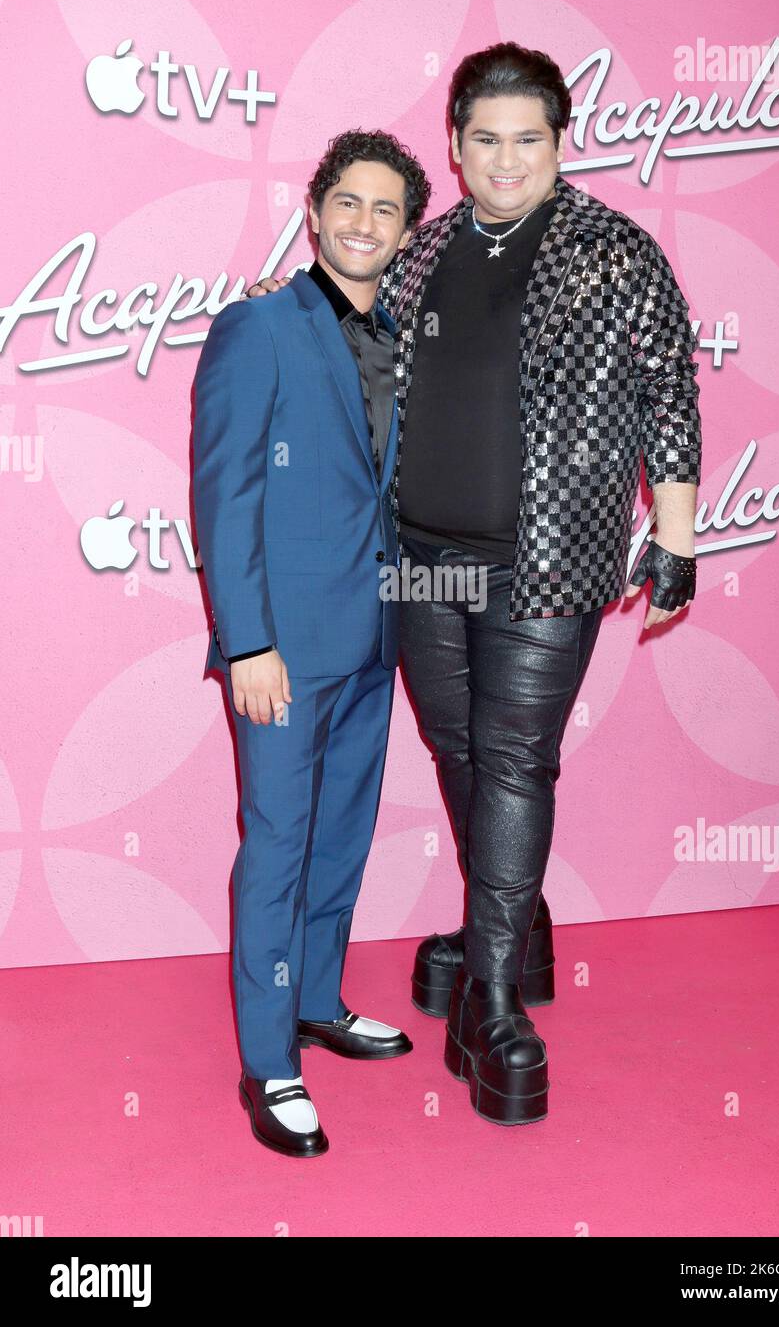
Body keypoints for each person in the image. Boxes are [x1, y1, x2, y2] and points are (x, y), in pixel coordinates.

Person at [249, 42, 702, 1126]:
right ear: (454, 148)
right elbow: (344, 319)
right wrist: (285, 302)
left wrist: (675, 541)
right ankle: (513, 924)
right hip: (414, 556)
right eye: (484, 139)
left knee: (512, 758)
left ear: (558, 144)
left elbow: (669, 394)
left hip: (545, 562)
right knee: (459, 750)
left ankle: (492, 1001)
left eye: (526, 140)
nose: (504, 159)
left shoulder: (614, 253)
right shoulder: (421, 252)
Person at [193, 129, 431, 1156]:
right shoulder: (258, 327)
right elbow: (222, 491)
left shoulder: (408, 338)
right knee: (280, 847)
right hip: (281, 649)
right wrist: (246, 641)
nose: (362, 222)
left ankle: (316, 1000)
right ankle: (267, 1061)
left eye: (384, 209)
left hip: (375, 641)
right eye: (347, 201)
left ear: (406, 230)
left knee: (341, 835)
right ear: (313, 209)